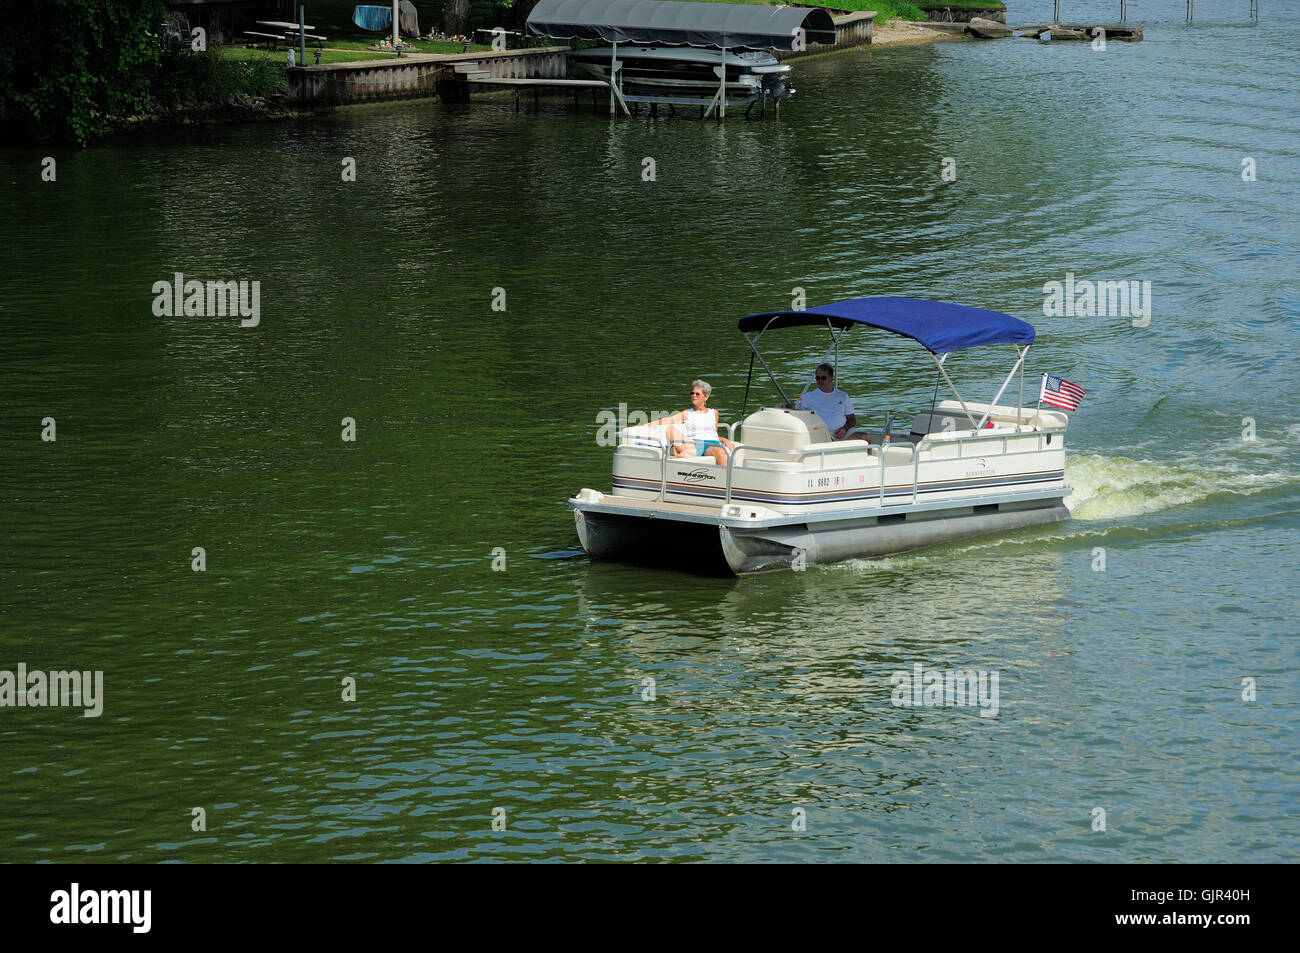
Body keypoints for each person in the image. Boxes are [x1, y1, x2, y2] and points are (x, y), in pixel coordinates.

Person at [647, 380, 735, 465]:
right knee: (670, 429)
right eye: (692, 393)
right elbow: (670, 419)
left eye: (697, 394)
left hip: (711, 444)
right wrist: (654, 422)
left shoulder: (714, 413)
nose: (694, 395)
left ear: (706, 397)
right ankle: (688, 452)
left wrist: (724, 440)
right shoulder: (687, 413)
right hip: (693, 443)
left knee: (718, 451)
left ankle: (726, 479)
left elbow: (712, 434)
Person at [794, 363, 861, 440]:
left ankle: (841, 445)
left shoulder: (843, 396)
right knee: (825, 439)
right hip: (822, 433)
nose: (820, 380)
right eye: (817, 378)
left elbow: (852, 419)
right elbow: (795, 405)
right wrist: (783, 406)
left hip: (844, 432)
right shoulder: (809, 396)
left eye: (823, 378)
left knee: (865, 437)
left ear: (831, 378)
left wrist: (844, 429)